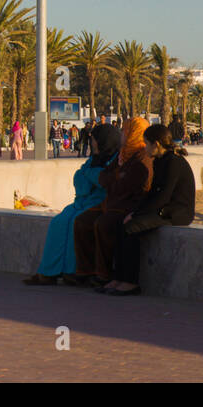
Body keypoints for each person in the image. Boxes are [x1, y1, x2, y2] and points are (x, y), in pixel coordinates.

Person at [104, 124, 195, 296]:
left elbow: (164, 196)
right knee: (120, 224)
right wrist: (134, 212)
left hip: (175, 212)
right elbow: (153, 192)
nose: (145, 148)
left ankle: (130, 282)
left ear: (157, 144)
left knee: (130, 228)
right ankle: (118, 277)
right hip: (163, 208)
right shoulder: (160, 161)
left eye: (147, 144)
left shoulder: (174, 162)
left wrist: (137, 215)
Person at [23, 122, 119, 285]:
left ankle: (72, 271)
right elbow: (82, 180)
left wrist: (89, 176)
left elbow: (102, 181)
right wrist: (91, 176)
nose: (92, 143)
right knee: (58, 222)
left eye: (94, 139)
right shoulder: (94, 159)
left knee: (76, 222)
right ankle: (48, 272)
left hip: (98, 202)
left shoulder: (115, 159)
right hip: (81, 201)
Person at [72, 117, 152, 288]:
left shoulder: (143, 156)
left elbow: (130, 185)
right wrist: (115, 178)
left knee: (103, 224)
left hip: (127, 205)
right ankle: (85, 271)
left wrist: (115, 179)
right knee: (82, 221)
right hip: (111, 202)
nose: (122, 134)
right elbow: (105, 177)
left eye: (125, 131)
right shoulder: (123, 154)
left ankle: (104, 274)